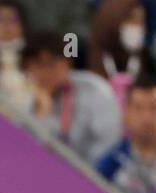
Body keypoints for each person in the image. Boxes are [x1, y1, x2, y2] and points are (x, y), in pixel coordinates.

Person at [22, 31, 123, 163]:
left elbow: (109, 144)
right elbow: (28, 153)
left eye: (51, 63)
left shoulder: (95, 90)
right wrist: (43, 116)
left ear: (66, 61)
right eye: (38, 65)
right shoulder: (29, 100)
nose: (45, 72)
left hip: (91, 175)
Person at [88, 0, 156, 102]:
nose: (139, 28)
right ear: (113, 22)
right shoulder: (94, 59)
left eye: (141, 23)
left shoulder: (146, 58)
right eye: (132, 21)